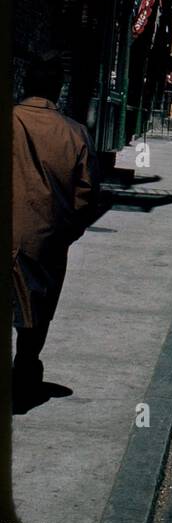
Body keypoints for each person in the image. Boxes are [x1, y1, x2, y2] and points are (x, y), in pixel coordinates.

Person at [12, 52, 101, 409]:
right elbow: (87, 197)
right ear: (57, 90)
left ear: (25, 84)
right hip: (44, 242)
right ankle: (24, 373)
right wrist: (63, 232)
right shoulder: (75, 133)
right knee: (35, 316)